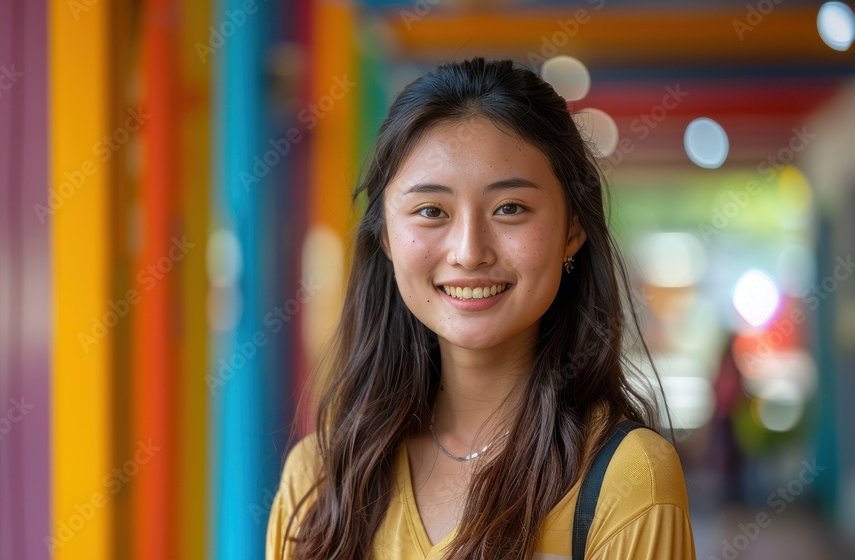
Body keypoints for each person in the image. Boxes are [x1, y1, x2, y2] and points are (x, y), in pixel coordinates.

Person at [266, 57, 695, 559]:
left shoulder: (627, 481)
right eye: (431, 211)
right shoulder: (319, 478)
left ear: (572, 230)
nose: (469, 252)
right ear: (385, 235)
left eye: (510, 208)